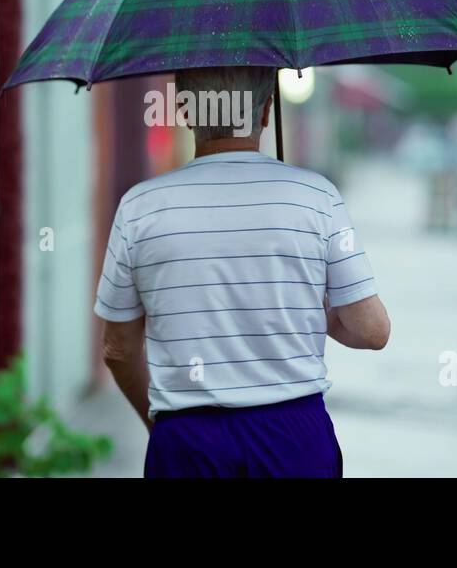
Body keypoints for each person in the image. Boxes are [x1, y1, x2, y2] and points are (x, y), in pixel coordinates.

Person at [96, 66, 390, 478]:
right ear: (267, 109)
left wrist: (162, 422)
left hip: (186, 439)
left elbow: (118, 349)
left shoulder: (139, 207)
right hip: (295, 439)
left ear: (183, 108)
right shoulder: (316, 196)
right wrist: (310, 309)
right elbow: (371, 331)